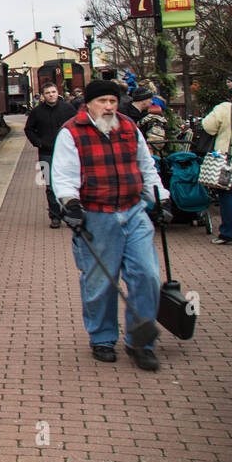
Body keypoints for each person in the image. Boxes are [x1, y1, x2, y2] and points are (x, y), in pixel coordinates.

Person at [52, 79, 165, 371]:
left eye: (113, 101)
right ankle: (102, 337)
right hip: (97, 217)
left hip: (133, 211)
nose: (109, 107)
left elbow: (146, 165)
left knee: (148, 275)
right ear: (88, 103)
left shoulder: (129, 127)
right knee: (100, 281)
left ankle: (141, 342)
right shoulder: (71, 133)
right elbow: (63, 174)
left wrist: (160, 199)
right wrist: (70, 204)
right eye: (103, 101)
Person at [24, 83, 77, 228]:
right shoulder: (37, 112)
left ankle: (69, 214)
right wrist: (38, 142)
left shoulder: (68, 109)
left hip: (67, 154)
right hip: (46, 153)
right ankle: (55, 216)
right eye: (47, 93)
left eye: (53, 92)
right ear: (43, 95)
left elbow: (77, 125)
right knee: (50, 186)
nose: (51, 95)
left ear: (57, 92)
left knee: (69, 184)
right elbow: (29, 129)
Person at [200, 77, 232, 246]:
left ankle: (228, 233)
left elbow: (208, 126)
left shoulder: (225, 108)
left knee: (228, 197)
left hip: (229, 161)